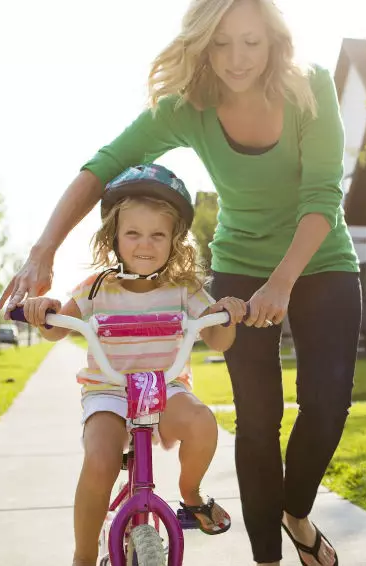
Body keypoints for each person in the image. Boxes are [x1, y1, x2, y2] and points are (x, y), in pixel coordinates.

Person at [0, 1, 361, 564]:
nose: (236, 59)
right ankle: (267, 557)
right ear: (201, 44)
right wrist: (43, 251)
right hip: (242, 261)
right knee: (259, 419)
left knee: (329, 404)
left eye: (250, 42)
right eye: (220, 44)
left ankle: (295, 511)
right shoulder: (190, 106)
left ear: (273, 40)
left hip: (321, 259)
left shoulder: (309, 87)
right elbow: (104, 164)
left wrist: (283, 283)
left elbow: (322, 197)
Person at [18, 163, 249, 566]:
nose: (146, 244)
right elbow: (58, 327)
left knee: (202, 423)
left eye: (158, 234)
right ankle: (84, 554)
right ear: (115, 237)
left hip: (165, 388)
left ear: (175, 239)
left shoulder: (184, 288)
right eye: (133, 233)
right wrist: (45, 309)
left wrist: (225, 313)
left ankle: (190, 494)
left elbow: (218, 338)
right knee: (100, 460)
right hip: (109, 391)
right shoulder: (96, 287)